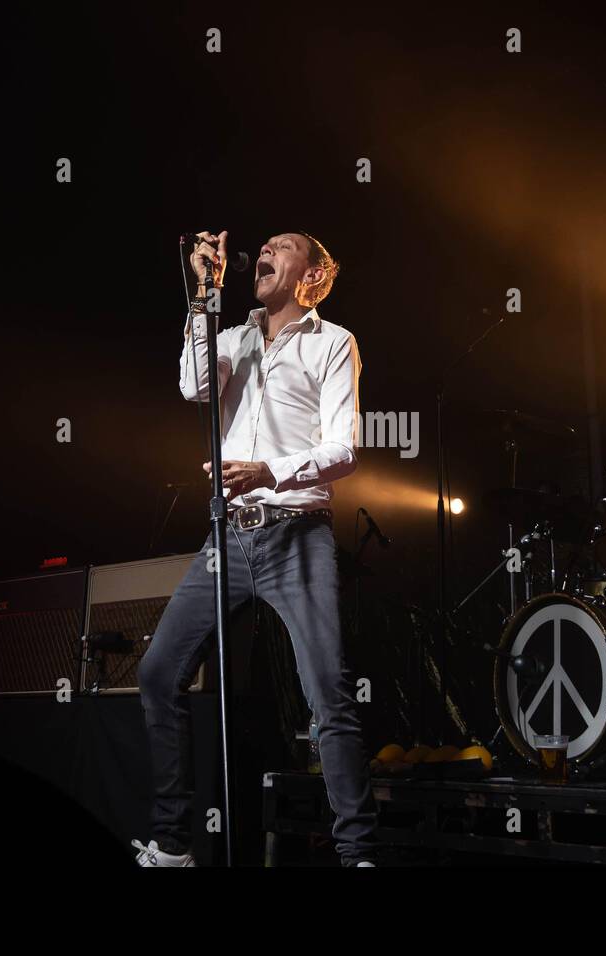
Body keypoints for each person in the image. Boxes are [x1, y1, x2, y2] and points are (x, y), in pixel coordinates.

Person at [132, 230, 378, 867]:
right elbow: (194, 387)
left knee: (327, 689)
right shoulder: (233, 339)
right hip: (229, 537)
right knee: (158, 674)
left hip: (297, 533)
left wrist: (270, 472)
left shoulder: (334, 342)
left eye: (285, 245)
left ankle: (358, 853)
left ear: (312, 276)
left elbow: (345, 450)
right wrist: (201, 298)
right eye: (265, 244)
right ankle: (172, 844)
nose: (267, 248)